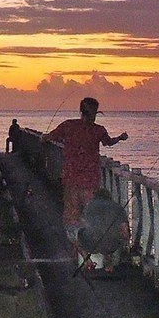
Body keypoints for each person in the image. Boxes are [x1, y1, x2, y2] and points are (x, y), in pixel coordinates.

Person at [44, 97, 128, 243]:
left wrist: (43, 138)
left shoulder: (68, 126)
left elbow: (49, 137)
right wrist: (120, 138)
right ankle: (94, 248)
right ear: (95, 113)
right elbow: (108, 142)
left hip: (71, 178)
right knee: (91, 216)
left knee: (71, 216)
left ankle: (77, 249)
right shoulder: (98, 130)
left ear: (80, 111)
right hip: (90, 180)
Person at [77, 188, 129, 273]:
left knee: (79, 234)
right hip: (112, 245)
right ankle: (108, 261)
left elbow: (82, 223)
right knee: (111, 237)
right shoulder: (118, 207)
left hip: (91, 243)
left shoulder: (89, 206)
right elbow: (125, 232)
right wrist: (123, 242)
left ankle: (87, 260)